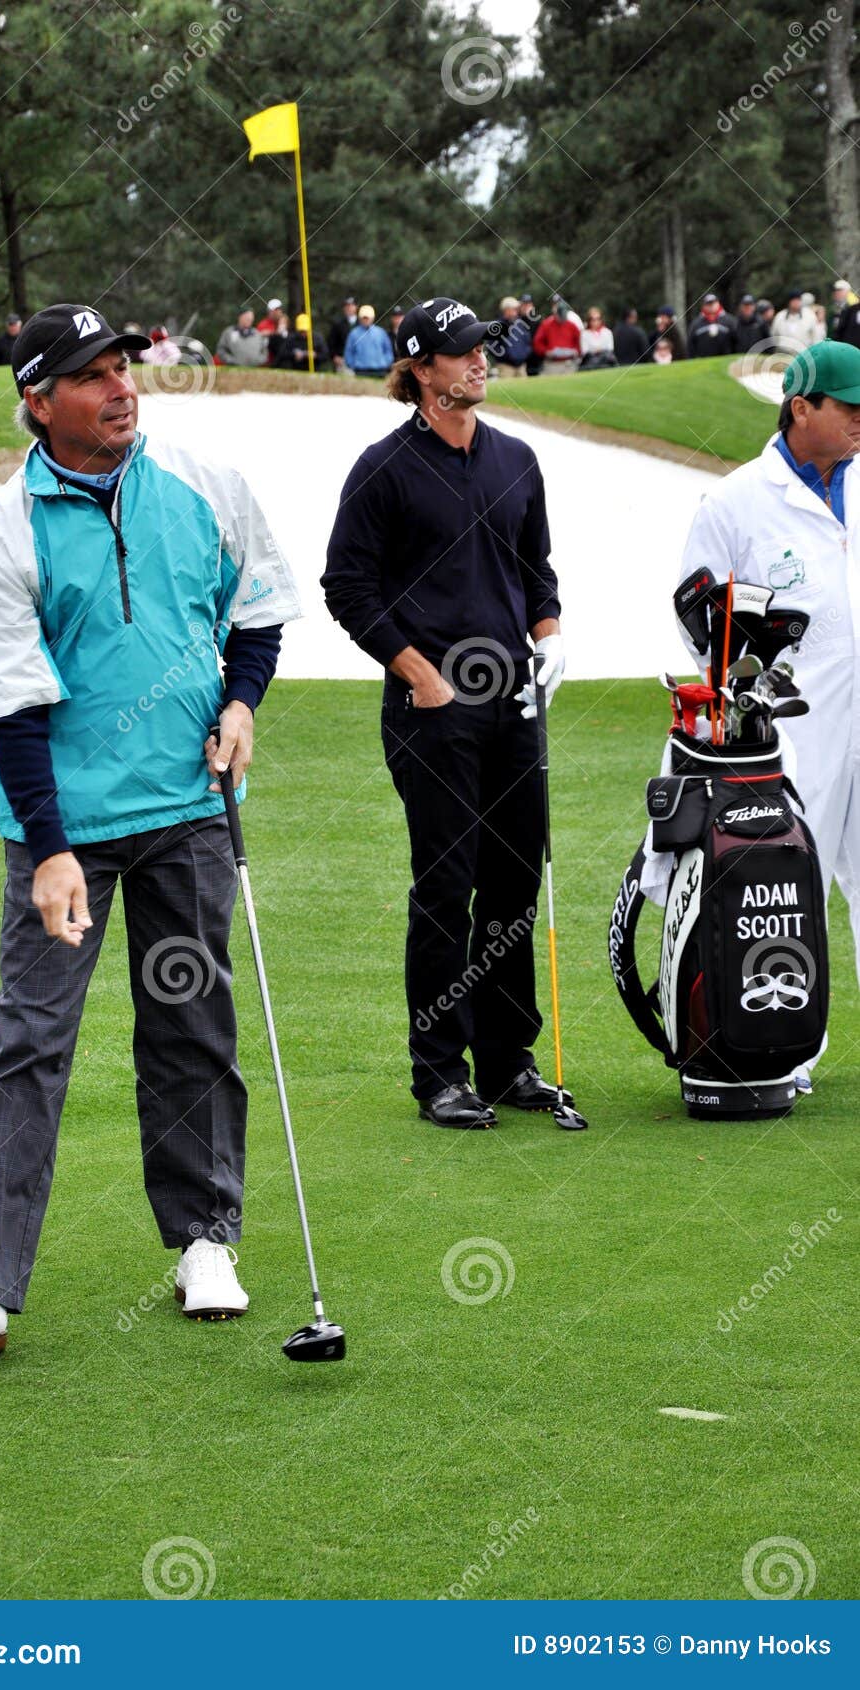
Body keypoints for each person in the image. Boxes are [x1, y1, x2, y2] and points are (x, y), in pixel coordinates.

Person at [0, 301, 301, 1363]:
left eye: (124, 366)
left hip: (188, 810)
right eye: (92, 375)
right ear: (39, 402)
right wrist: (49, 850)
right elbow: (9, 706)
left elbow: (256, 609)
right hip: (67, 831)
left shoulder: (203, 485)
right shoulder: (0, 535)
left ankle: (204, 1241)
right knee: (30, 1046)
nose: (121, 387)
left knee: (191, 1027)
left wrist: (241, 703)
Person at [322, 296, 566, 1128]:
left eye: (482, 348)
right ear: (421, 369)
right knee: (446, 887)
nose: (480, 361)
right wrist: (419, 675)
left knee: (513, 883)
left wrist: (550, 638)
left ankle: (506, 1061)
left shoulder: (516, 459)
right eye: (462, 352)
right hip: (431, 711)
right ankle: (438, 1074)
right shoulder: (382, 469)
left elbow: (536, 570)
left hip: (513, 703)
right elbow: (346, 587)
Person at [677, 340, 860, 1094]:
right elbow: (697, 620)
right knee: (787, 884)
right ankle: (786, 1047)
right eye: (849, 407)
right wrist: (743, 681)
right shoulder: (735, 501)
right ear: (800, 408)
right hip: (793, 729)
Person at [532, 298, 581, 374]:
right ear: (555, 314)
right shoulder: (546, 324)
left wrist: (576, 351)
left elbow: (578, 342)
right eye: (560, 316)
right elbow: (537, 343)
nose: (562, 319)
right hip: (552, 364)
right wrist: (546, 352)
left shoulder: (571, 325)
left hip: (569, 363)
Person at [343, 304, 393, 376]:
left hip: (380, 370)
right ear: (360, 318)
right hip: (360, 371)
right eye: (364, 318)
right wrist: (353, 364)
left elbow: (388, 350)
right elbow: (348, 352)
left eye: (368, 318)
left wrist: (386, 363)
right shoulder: (353, 333)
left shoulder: (381, 332)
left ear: (373, 318)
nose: (366, 320)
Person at [487, 296, 530, 377]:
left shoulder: (520, 324)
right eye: (514, 309)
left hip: (521, 366)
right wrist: (508, 357)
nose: (516, 311)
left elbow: (527, 342)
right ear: (506, 310)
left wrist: (523, 356)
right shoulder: (497, 326)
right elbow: (492, 347)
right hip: (505, 367)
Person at [772, 289, 822, 355]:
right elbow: (774, 336)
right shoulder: (780, 316)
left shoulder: (810, 315)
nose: (796, 303)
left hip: (804, 355)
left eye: (798, 300)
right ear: (789, 302)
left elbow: (816, 336)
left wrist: (815, 353)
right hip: (783, 355)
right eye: (793, 300)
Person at [687, 293, 738, 357]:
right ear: (703, 306)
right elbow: (691, 345)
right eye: (708, 304)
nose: (711, 306)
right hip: (703, 360)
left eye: (713, 303)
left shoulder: (730, 321)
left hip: (727, 358)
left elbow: (736, 341)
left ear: (718, 303)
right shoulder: (696, 324)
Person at [327, 295, 359, 370]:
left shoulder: (361, 324)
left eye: (351, 305)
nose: (349, 308)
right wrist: (334, 356)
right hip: (342, 361)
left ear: (356, 307)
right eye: (346, 306)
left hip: (360, 361)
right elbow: (331, 343)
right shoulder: (338, 324)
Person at [832, 279, 860, 351]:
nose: (836, 293)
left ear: (847, 291)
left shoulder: (852, 305)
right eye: (836, 291)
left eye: (839, 290)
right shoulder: (838, 305)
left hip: (851, 347)